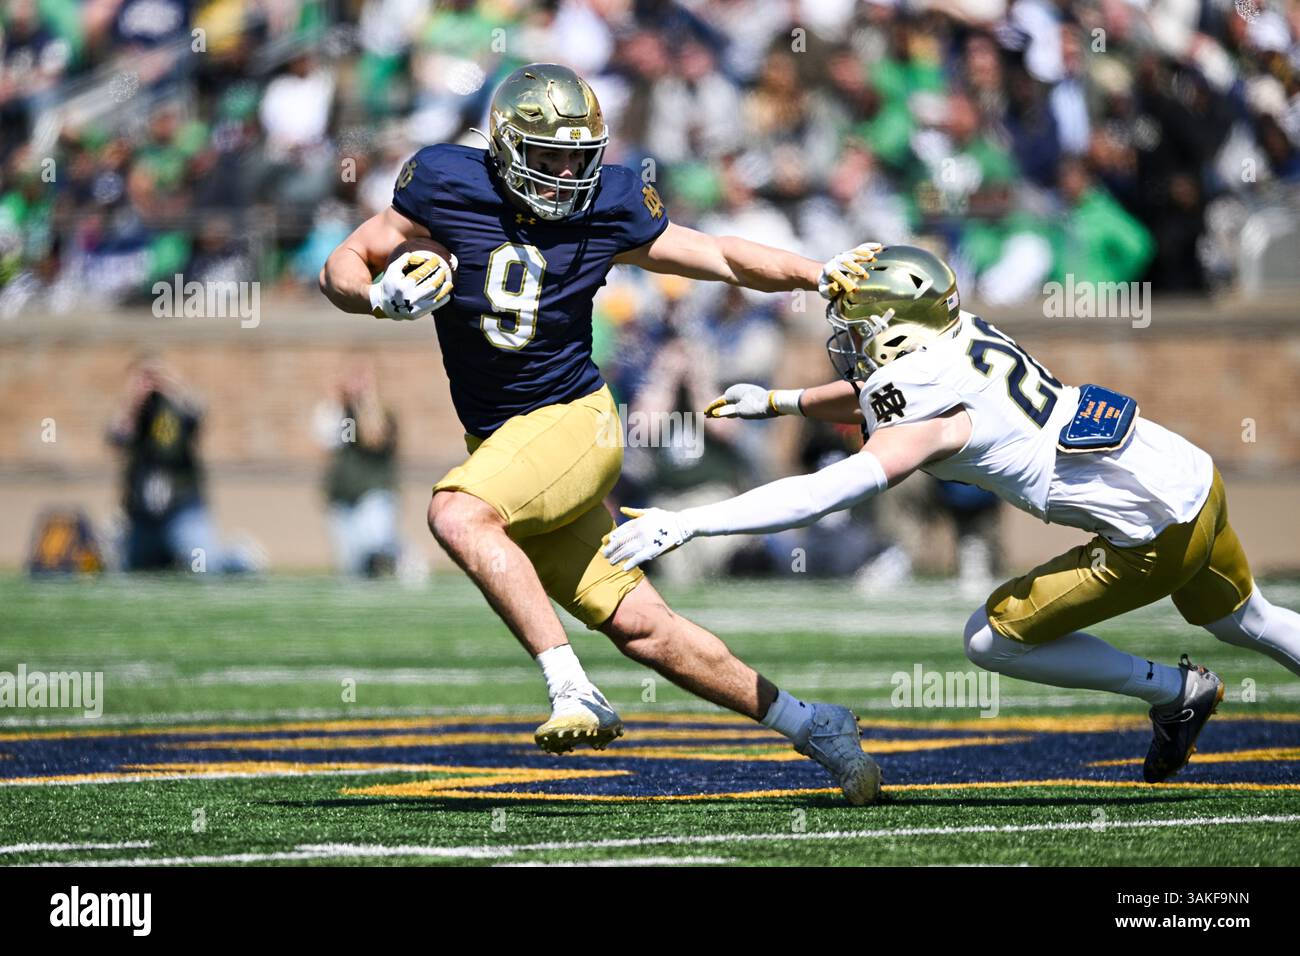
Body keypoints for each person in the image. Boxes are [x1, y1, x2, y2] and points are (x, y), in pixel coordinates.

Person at [318, 63, 884, 804]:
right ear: (505, 147)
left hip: (577, 424)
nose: (565, 173)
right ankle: (815, 725)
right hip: (505, 447)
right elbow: (343, 263)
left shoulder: (610, 203)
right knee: (646, 629)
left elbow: (717, 255)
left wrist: (818, 273)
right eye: (548, 155)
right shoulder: (444, 180)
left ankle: (571, 688)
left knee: (457, 512)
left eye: (578, 156)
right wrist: (377, 297)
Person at [606, 243, 1300, 784]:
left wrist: (694, 521)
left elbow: (831, 487)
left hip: (1153, 530)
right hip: (1189, 475)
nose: (848, 339)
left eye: (859, 326)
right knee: (1248, 619)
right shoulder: (959, 331)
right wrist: (784, 402)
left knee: (990, 639)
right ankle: (1182, 690)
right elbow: (878, 394)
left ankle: (1174, 692)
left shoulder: (926, 400)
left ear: (897, 328)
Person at [107, 355, 253, 573]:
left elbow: (197, 414)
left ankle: (239, 558)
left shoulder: (174, 410)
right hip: (143, 519)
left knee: (207, 567)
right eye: (143, 378)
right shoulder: (133, 415)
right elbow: (116, 438)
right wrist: (133, 400)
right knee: (131, 574)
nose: (150, 384)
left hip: (182, 511)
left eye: (153, 377)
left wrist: (174, 386)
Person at [317, 362, 401, 577]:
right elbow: (327, 444)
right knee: (352, 568)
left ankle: (403, 557)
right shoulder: (340, 414)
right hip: (343, 495)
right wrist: (336, 401)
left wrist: (367, 399)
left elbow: (373, 436)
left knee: (374, 546)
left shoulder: (384, 413)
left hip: (373, 491)